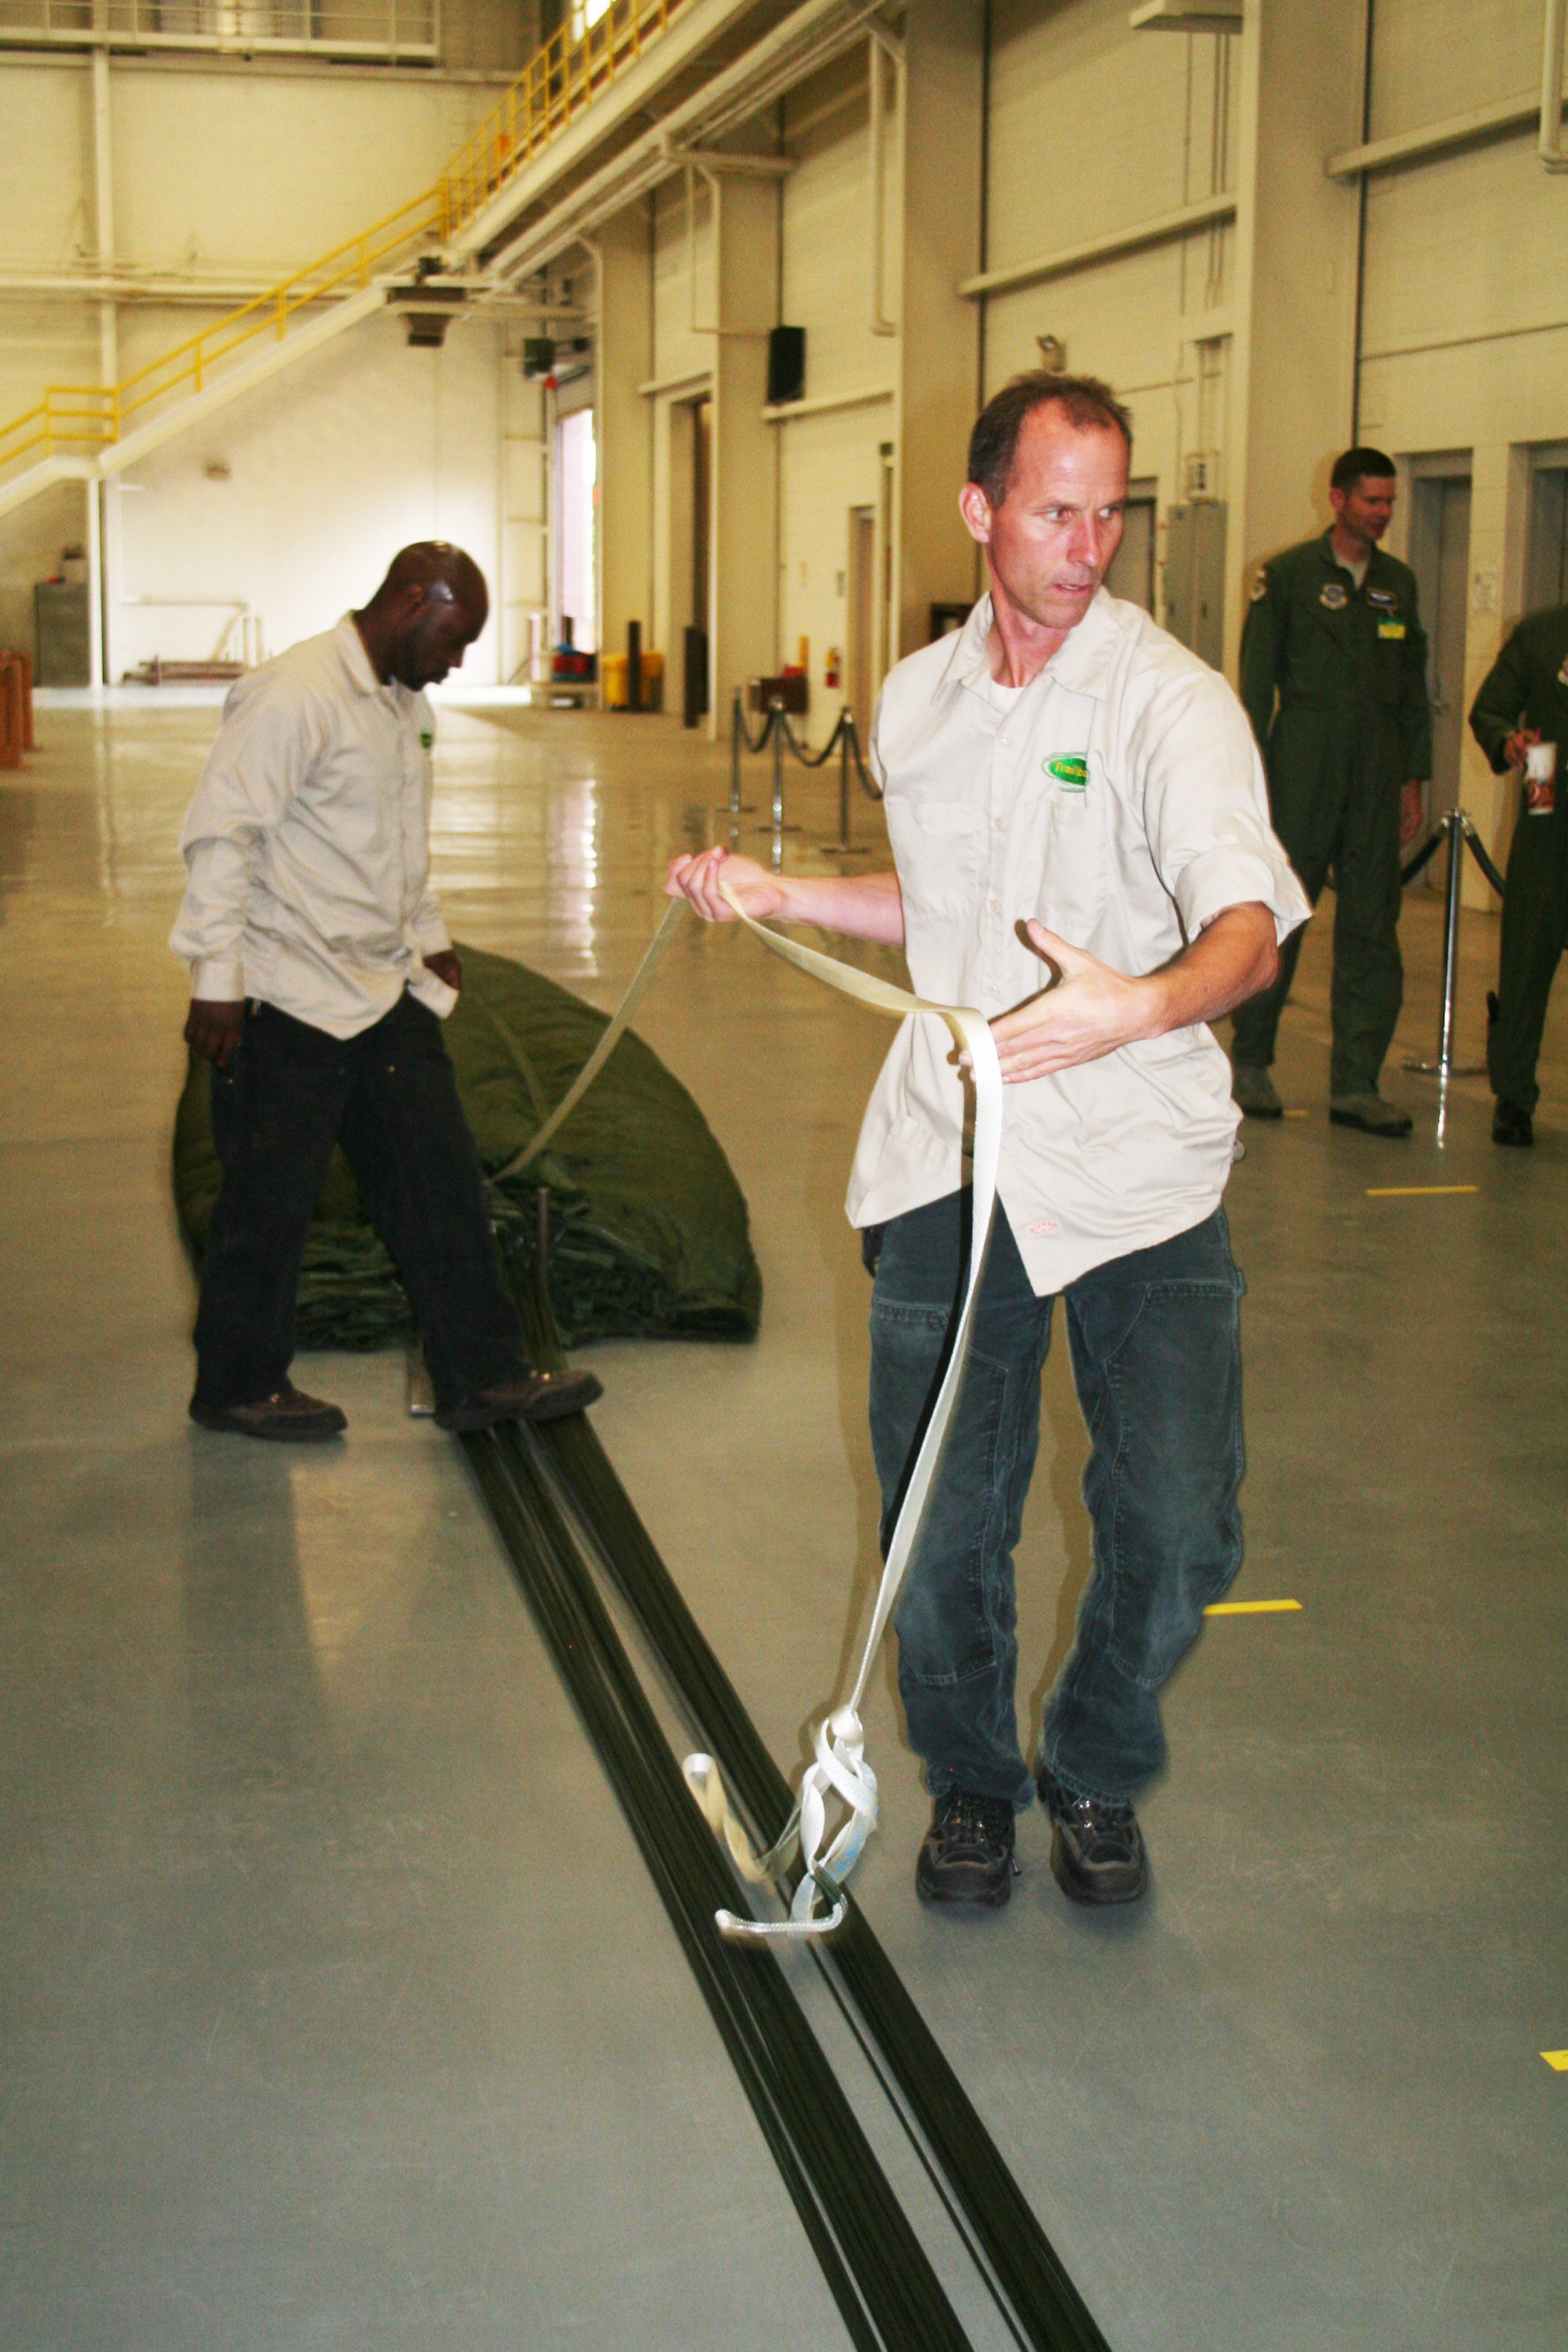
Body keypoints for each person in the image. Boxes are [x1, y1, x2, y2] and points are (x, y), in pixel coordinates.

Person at [666, 373, 1308, 1911]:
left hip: (1140, 1161)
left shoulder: (1170, 704)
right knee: (941, 1519)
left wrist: (1137, 1005)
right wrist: (786, 893)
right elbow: (943, 903)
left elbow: (1251, 925)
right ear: (980, 511)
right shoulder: (916, 701)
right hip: (951, 1151)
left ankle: (1093, 1761)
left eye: (1109, 514)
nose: (1089, 547)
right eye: (1054, 511)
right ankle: (970, 1785)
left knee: (1179, 1525)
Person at [169, 542, 602, 1442]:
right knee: (267, 1204)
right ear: (411, 602)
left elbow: (398, 839)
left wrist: (430, 936)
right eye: (454, 639)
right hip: (287, 994)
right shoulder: (294, 695)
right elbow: (223, 835)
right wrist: (216, 976)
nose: (458, 661)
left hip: (378, 986)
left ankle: (481, 1374)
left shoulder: (406, 704)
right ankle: (238, 1384)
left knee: (440, 1180)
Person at [1231, 447, 1432, 1134]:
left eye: (1390, 502)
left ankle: (1356, 1084)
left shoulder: (1398, 584)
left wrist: (1412, 779)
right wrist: (1252, 781)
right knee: (1282, 916)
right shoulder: (1287, 577)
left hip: (1376, 768)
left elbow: (1411, 690)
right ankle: (1251, 1062)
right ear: (1338, 498)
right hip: (1303, 762)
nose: (1383, 513)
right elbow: (1255, 686)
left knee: (1373, 925)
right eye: (1372, 500)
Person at [1468, 602, 1568, 1147]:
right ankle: (1513, 1096)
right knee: (1526, 959)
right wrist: (1509, 739)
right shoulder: (1543, 634)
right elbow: (1490, 709)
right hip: (1549, 815)